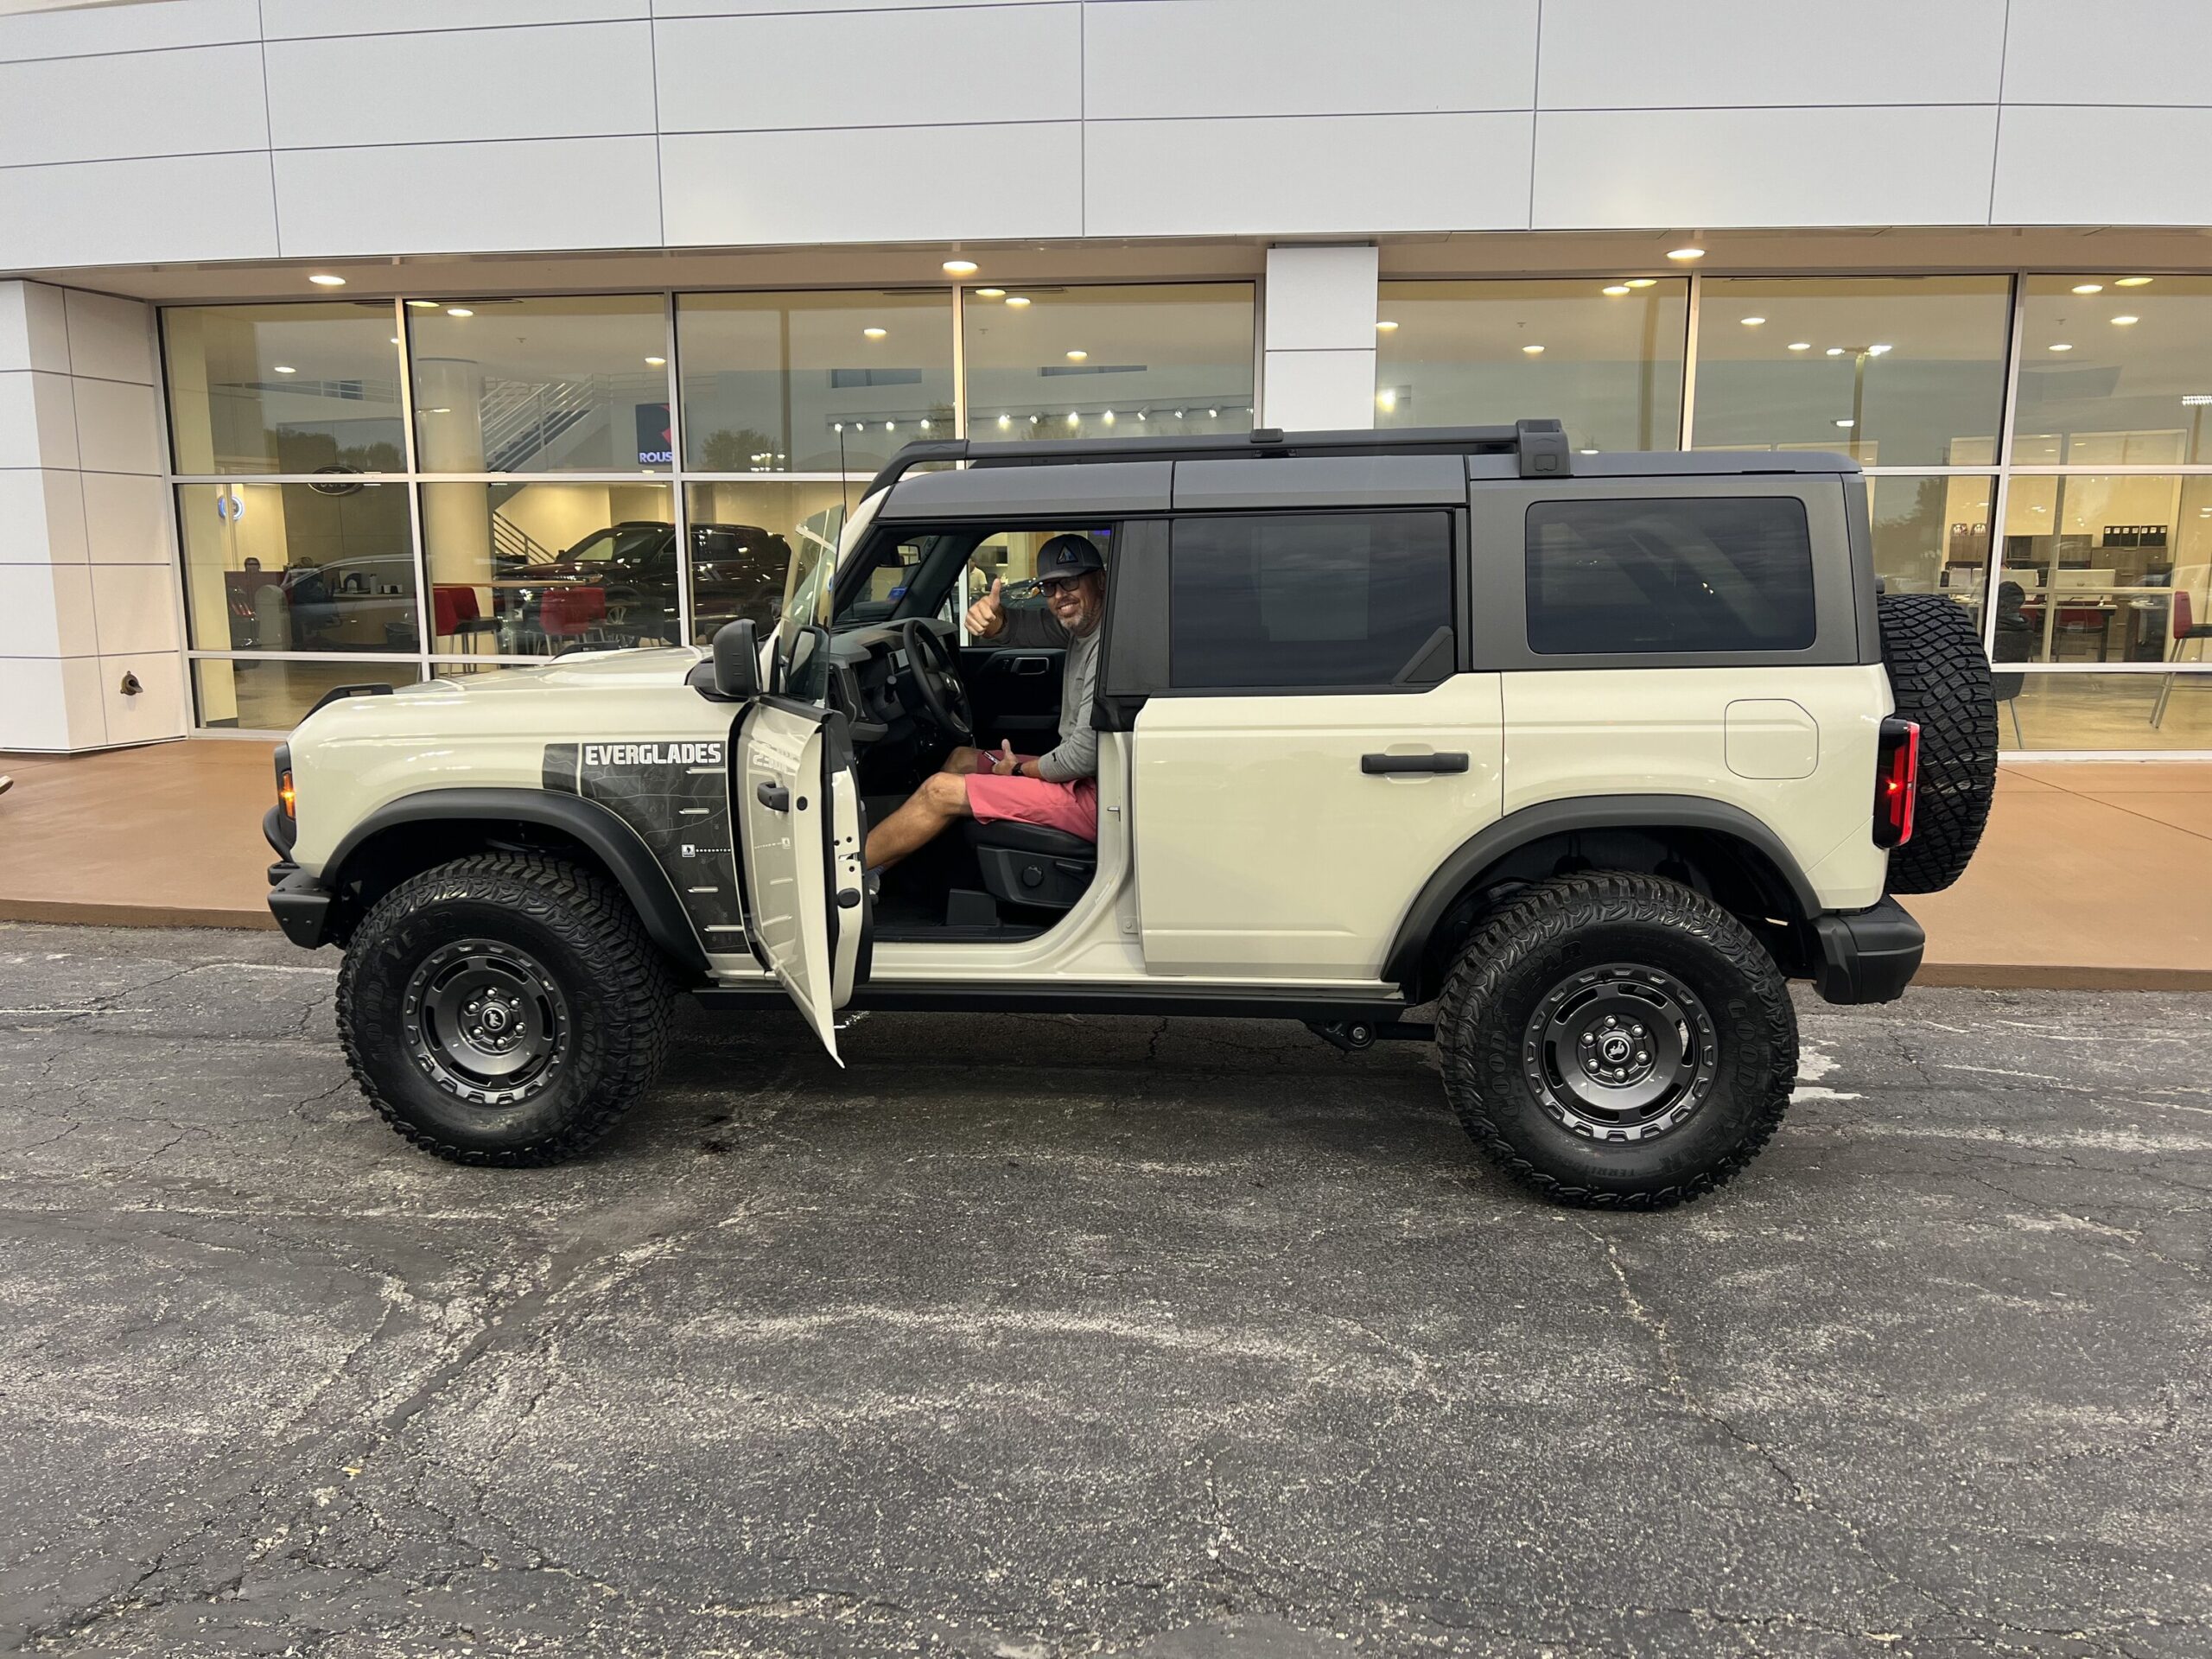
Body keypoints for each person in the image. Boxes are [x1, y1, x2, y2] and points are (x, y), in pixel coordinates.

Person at [863, 534, 1107, 871]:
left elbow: (1081, 757)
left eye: (1070, 581)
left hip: (1099, 797)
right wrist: (995, 623)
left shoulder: (1109, 648)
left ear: (1100, 580)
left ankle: (837, 891)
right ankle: (911, 874)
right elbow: (1024, 628)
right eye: (1049, 588)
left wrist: (1019, 771)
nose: (1060, 596)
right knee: (962, 760)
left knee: (938, 792)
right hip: (1089, 779)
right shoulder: (1083, 628)